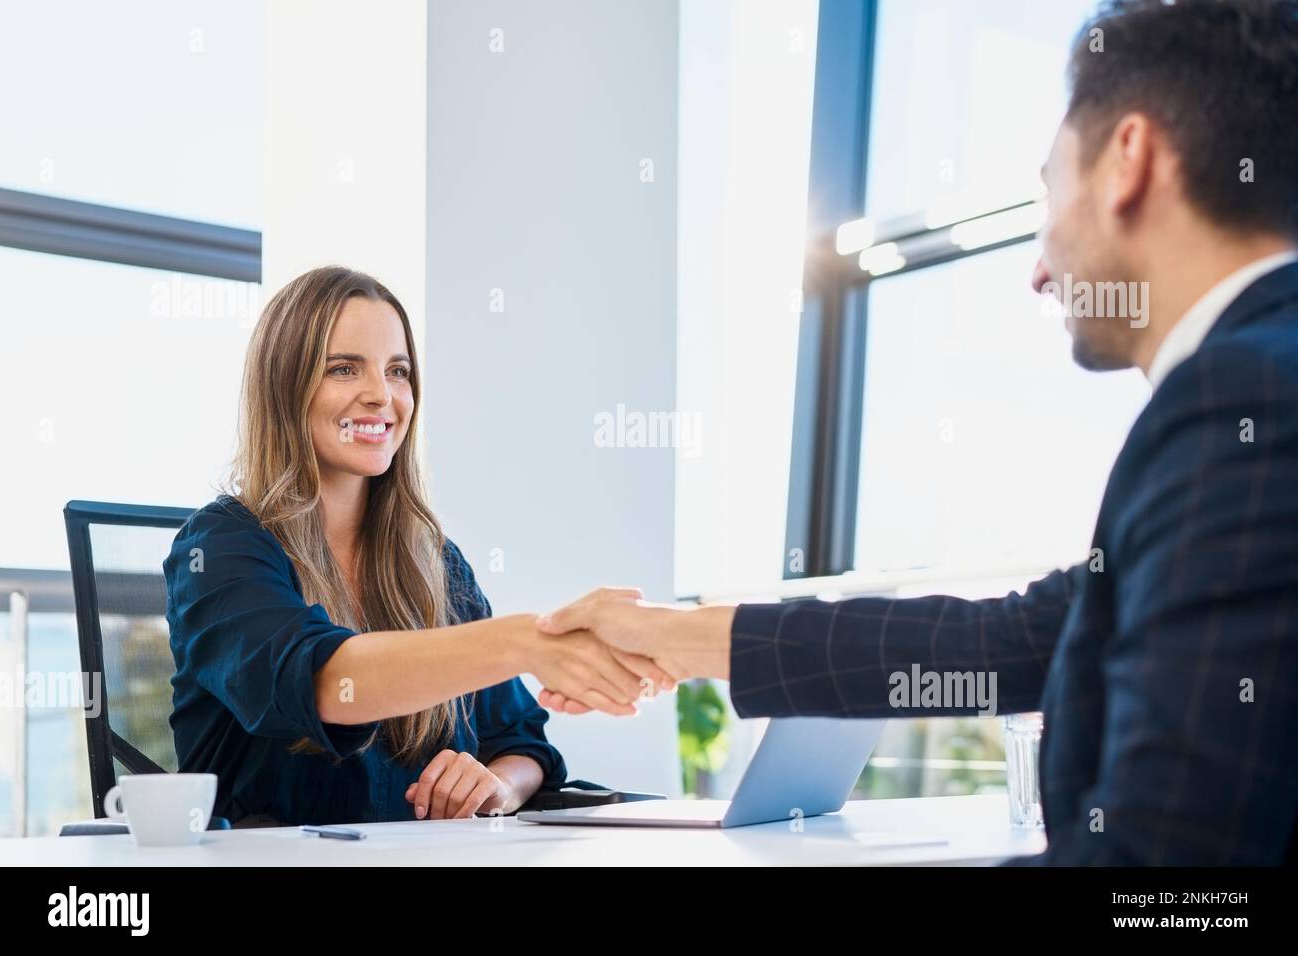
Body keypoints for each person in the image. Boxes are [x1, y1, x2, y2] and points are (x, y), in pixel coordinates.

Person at [537, 0, 1298, 865]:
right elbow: (1009, 640)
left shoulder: (1245, 403)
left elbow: (1171, 881)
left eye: (1050, 192)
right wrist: (673, 635)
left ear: (1129, 159)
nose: (1040, 270)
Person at [164, 266, 671, 826]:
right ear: (284, 385)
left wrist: (495, 786)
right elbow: (325, 684)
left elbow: (521, 741)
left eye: (398, 371)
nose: (381, 395)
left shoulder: (433, 559)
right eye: (342, 368)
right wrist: (528, 640)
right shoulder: (218, 548)